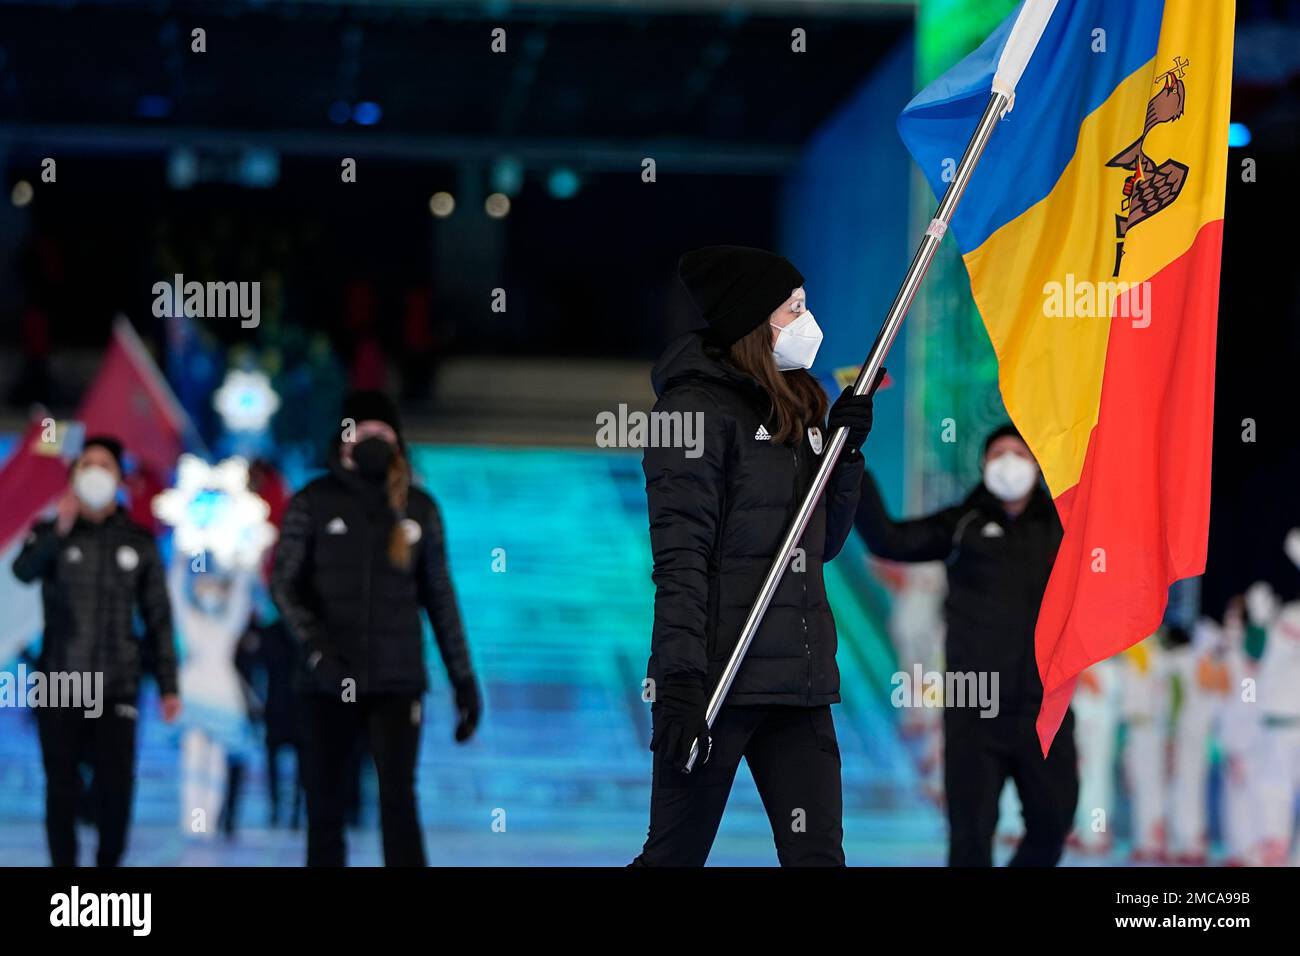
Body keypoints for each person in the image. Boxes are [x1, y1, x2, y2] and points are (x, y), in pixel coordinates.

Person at [631, 245, 878, 866]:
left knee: (818, 859)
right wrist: (682, 685)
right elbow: (681, 561)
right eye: (793, 307)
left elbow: (824, 545)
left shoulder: (800, 403)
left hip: (796, 687)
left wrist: (845, 454)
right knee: (673, 858)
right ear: (752, 321)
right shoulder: (693, 413)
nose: (808, 320)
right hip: (718, 681)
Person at [271, 390, 482, 866]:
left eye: (383, 434)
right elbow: (283, 586)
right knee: (325, 806)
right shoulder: (313, 502)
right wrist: (317, 650)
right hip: (326, 684)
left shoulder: (419, 510)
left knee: (398, 801)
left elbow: (441, 599)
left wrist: (463, 679)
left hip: (396, 681)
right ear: (343, 440)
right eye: (362, 433)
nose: (373, 443)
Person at [855, 423, 1078, 866]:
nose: (1009, 463)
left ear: (1037, 465)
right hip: (973, 704)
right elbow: (888, 539)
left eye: (1019, 453)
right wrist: (852, 462)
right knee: (970, 839)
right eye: (998, 454)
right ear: (982, 465)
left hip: (1044, 707)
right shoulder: (962, 523)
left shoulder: (1064, 528)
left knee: (1053, 824)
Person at [12, 435, 180, 866]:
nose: (95, 472)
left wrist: (167, 684)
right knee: (62, 786)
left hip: (118, 681)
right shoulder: (51, 532)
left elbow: (158, 616)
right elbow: (22, 571)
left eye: (105, 465)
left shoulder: (138, 541)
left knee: (116, 786)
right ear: (73, 476)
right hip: (61, 680)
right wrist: (59, 529)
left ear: (119, 477)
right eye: (87, 464)